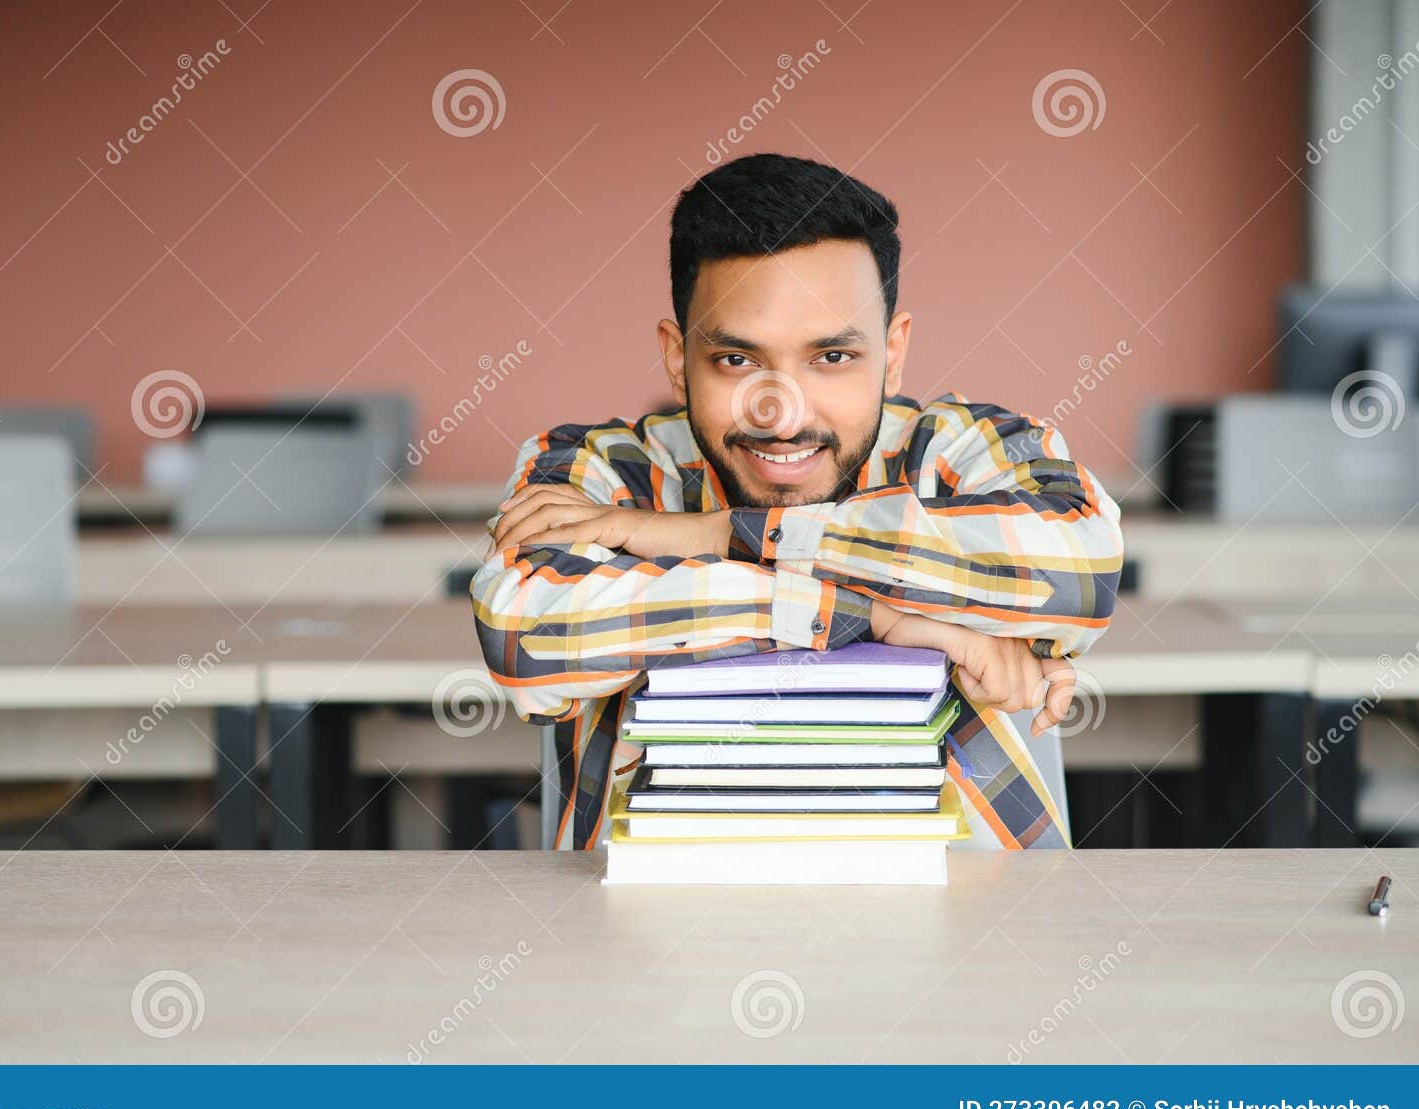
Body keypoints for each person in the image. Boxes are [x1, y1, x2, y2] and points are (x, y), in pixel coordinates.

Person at [470, 153, 1124, 851]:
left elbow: (1081, 571)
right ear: (675, 355)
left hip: (967, 931)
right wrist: (880, 615)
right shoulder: (601, 470)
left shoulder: (961, 450)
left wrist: (717, 535)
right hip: (649, 934)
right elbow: (523, 633)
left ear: (893, 351)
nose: (782, 415)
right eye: (737, 360)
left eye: (832, 358)